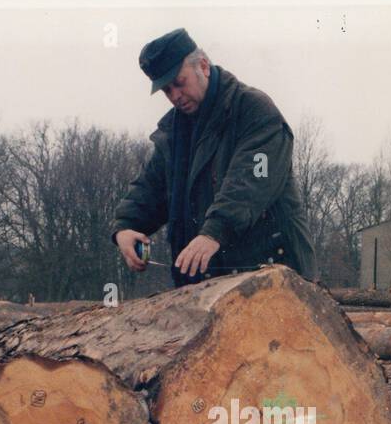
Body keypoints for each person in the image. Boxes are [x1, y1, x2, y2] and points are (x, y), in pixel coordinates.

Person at [110, 28, 316, 286]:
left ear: (203, 66)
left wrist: (214, 232)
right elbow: (151, 188)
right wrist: (125, 227)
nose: (175, 96)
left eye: (179, 82)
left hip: (275, 279)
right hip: (206, 287)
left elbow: (251, 182)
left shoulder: (254, 111)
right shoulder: (174, 132)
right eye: (166, 90)